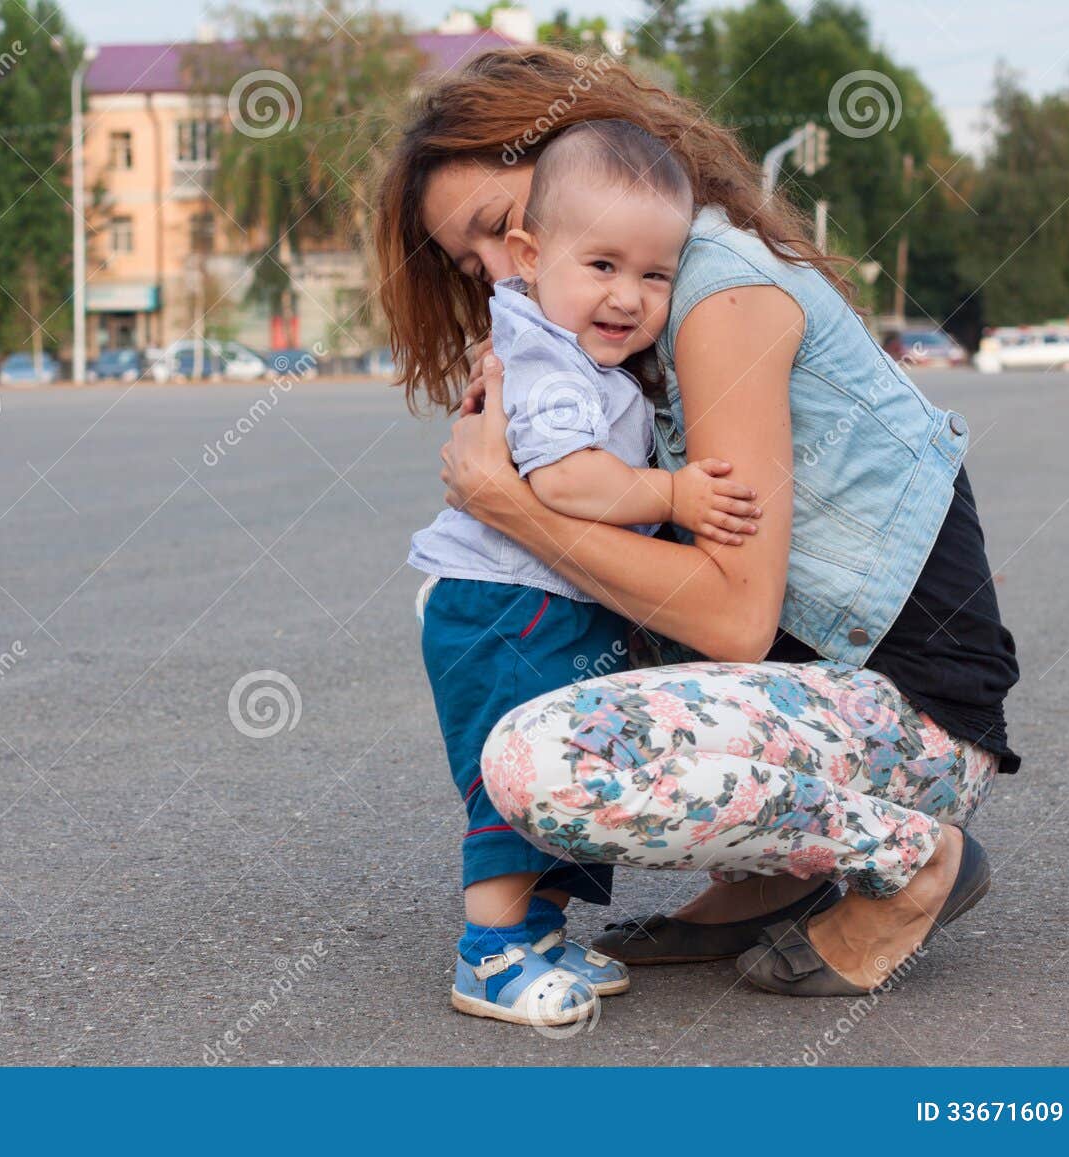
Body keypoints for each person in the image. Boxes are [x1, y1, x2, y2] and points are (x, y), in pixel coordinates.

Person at [374, 46, 1019, 998]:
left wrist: (508, 500)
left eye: (494, 229)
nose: (496, 275)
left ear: (569, 159)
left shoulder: (716, 292)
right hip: (821, 700)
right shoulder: (613, 319)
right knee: (510, 630)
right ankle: (761, 879)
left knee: (537, 756)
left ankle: (916, 858)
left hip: (909, 721)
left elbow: (732, 621)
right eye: (474, 264)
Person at [409, 121, 761, 1026]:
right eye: (602, 266)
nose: (629, 296)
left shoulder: (566, 348)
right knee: (514, 764)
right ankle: (489, 954)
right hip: (506, 606)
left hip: (551, 596)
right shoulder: (549, 361)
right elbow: (566, 477)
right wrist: (674, 492)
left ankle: (542, 933)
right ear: (535, 254)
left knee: (572, 757)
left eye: (655, 274)